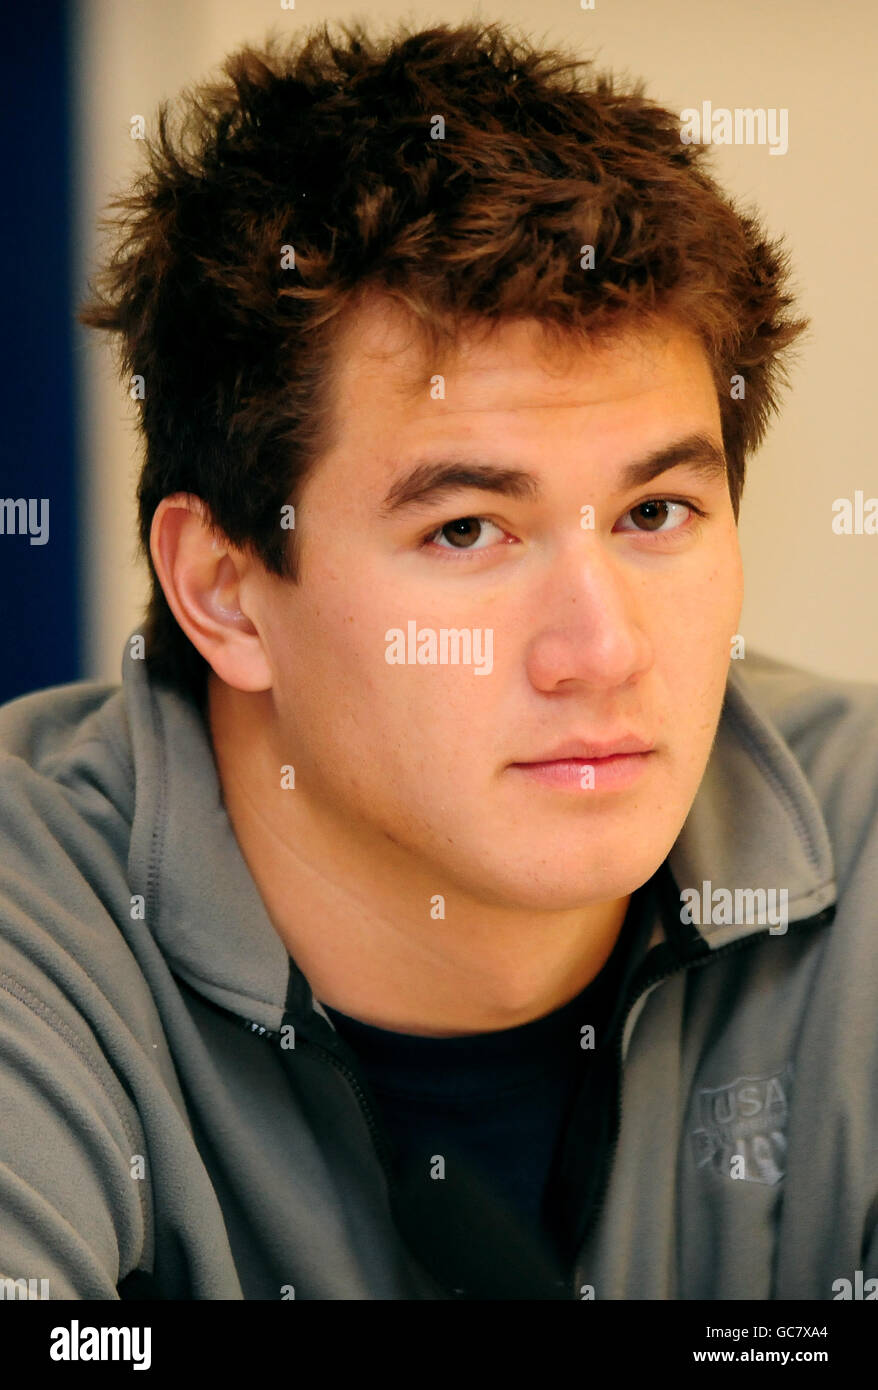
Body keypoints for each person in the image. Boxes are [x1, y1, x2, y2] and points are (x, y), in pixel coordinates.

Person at [1, 17, 875, 1302]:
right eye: (466, 529)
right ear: (226, 590)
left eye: (653, 515)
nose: (601, 651)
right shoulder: (36, 932)